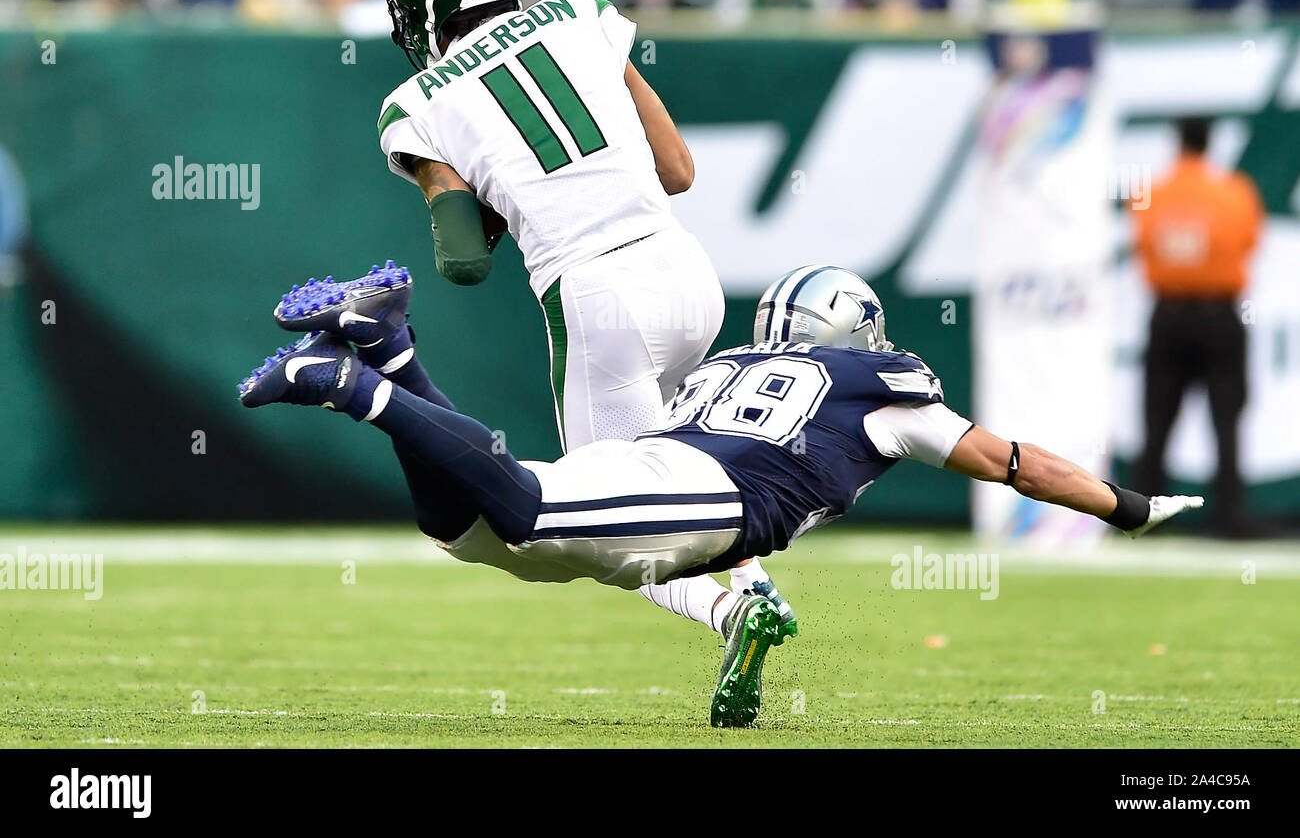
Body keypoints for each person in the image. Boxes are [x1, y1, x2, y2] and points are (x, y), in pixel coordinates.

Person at [240, 264, 1203, 727]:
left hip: (682, 481)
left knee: (473, 530)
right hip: (706, 494)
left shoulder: (741, 359)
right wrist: (1122, 505)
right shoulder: (890, 385)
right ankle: (348, 384)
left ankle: (393, 348)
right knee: (523, 508)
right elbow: (1017, 463)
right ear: (857, 328)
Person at [371, 0, 797, 641]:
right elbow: (678, 170)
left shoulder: (416, 103)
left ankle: (732, 612)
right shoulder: (581, 13)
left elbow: (464, 261)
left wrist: (492, 204)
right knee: (688, 465)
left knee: (603, 524)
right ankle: (754, 580)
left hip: (599, 300)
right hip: (686, 272)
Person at [1133, 117, 1264, 537]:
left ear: (1178, 141)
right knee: (1226, 419)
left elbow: (1143, 243)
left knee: (1157, 419)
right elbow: (1247, 242)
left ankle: (1140, 515)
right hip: (1218, 315)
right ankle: (1229, 517)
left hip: (1168, 315)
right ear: (1210, 143)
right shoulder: (1233, 192)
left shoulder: (1153, 193)